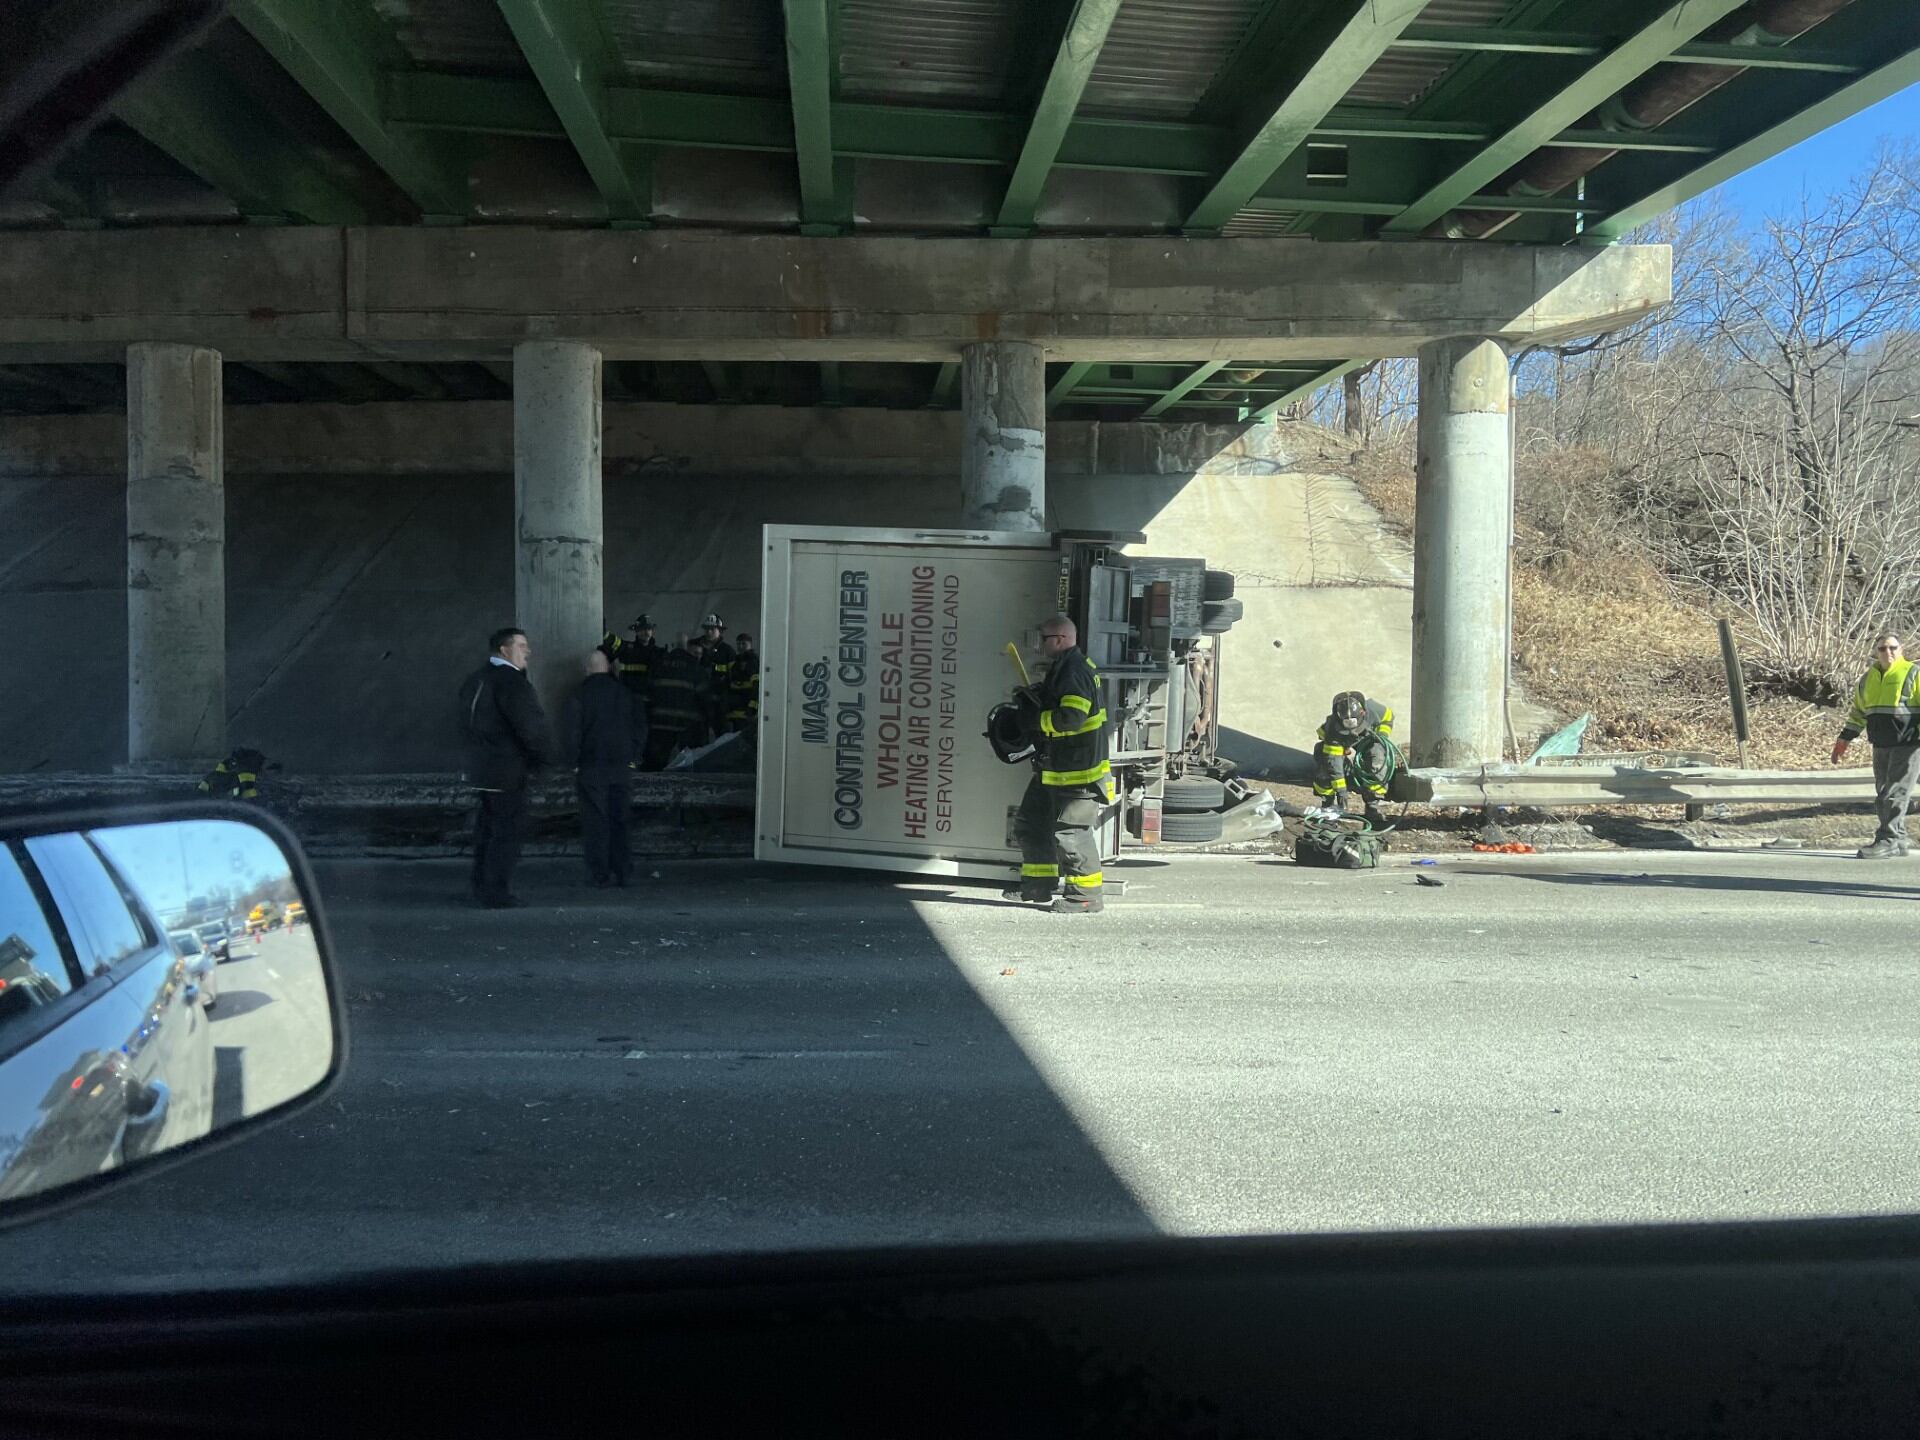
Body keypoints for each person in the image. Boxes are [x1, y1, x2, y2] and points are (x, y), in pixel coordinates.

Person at [1006, 615, 1112, 915]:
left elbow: (1072, 719)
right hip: (1057, 768)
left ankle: (1085, 896)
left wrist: (1035, 720)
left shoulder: (1073, 671)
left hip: (1077, 772)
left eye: (1044, 638)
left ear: (1061, 638)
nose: (1040, 644)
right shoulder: (1067, 668)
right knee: (1031, 822)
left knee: (1071, 832)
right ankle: (1038, 886)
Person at [457, 626, 555, 908]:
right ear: (504, 649)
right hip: (508, 771)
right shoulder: (512, 682)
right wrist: (544, 760)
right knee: (506, 833)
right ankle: (496, 892)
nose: (528, 652)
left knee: (486, 830)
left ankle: (481, 885)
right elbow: (531, 726)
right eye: (522, 646)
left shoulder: (476, 679)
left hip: (482, 769)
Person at [1831, 630, 1920, 859]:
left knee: (1895, 792)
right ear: (1876, 652)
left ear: (1901, 650)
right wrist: (1844, 739)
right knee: (1883, 792)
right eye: (1882, 648)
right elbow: (1859, 713)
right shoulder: (1868, 679)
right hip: (1881, 744)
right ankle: (1898, 838)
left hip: (1909, 744)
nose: (1887, 652)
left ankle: (1887, 839)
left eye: (1892, 648)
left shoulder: (1913, 673)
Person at [561, 647, 638, 888]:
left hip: (591, 765)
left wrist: (573, 762)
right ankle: (623, 871)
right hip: (621, 766)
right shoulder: (624, 693)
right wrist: (633, 757)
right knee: (620, 818)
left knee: (596, 820)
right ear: (606, 667)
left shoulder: (579, 695)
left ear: (586, 669)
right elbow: (639, 727)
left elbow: (573, 733)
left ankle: (599, 873)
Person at [1312, 690, 1395, 828]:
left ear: (1363, 713)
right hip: (1340, 740)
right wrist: (1341, 790)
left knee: (1378, 755)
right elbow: (1334, 763)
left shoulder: (1374, 709)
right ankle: (1328, 806)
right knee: (1325, 763)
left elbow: (1388, 716)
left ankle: (1372, 806)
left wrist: (1381, 735)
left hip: (1367, 738)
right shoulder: (1332, 727)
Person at [644, 632, 712, 770]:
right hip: (687, 727)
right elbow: (705, 700)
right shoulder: (696, 668)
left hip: (659, 726)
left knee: (654, 767)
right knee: (687, 767)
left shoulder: (658, 666)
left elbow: (647, 697)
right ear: (687, 648)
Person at [726, 632, 760, 735]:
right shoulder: (735, 663)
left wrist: (752, 707)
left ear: (750, 645)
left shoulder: (753, 661)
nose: (740, 647)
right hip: (734, 710)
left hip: (746, 710)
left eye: (744, 644)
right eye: (738, 644)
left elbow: (757, 685)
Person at [700, 613, 736, 697]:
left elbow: (733, 676)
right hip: (699, 695)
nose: (709, 632)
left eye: (712, 629)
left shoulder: (728, 651)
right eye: (707, 629)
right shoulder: (697, 648)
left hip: (720, 696)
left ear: (720, 631)